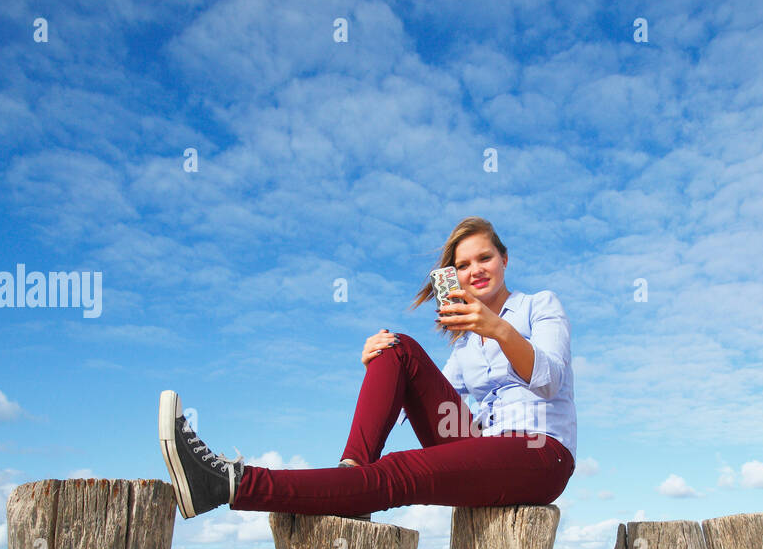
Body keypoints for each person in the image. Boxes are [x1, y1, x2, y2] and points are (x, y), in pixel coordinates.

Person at [158, 216, 577, 521]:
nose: (475, 270)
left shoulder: (539, 305)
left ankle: (231, 484)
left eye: (484, 258)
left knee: (401, 469)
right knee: (398, 348)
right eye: (463, 266)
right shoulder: (466, 342)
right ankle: (352, 472)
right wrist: (381, 369)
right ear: (454, 278)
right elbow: (429, 406)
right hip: (482, 446)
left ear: (504, 259)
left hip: (540, 453)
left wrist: (500, 330)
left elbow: (549, 380)